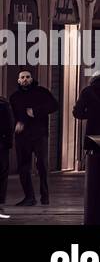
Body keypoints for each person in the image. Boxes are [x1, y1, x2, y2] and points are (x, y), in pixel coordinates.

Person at [10, 69, 57, 206]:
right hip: (22, 137)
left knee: (42, 165)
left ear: (32, 78)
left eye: (27, 77)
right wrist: (17, 124)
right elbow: (12, 115)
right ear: (18, 80)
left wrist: (35, 111)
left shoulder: (42, 92)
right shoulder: (14, 97)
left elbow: (54, 105)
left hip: (39, 135)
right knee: (23, 167)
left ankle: (45, 197)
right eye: (22, 77)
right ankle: (29, 197)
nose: (25, 79)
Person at [0, 91, 12, 204]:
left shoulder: (3, 104)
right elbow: (9, 125)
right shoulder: (3, 104)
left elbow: (9, 125)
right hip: (2, 143)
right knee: (2, 172)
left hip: (2, 143)